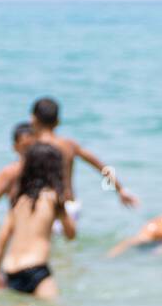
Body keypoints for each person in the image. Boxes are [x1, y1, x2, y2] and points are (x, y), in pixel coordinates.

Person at [29, 96, 138, 227]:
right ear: (57, 122)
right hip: (70, 207)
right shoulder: (69, 145)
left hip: (44, 208)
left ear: (33, 119)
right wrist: (120, 190)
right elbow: (102, 167)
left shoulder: (32, 149)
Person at [0, 142, 75, 299]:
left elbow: (2, 238)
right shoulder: (54, 198)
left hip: (10, 270)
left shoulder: (18, 200)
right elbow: (70, 234)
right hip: (36, 268)